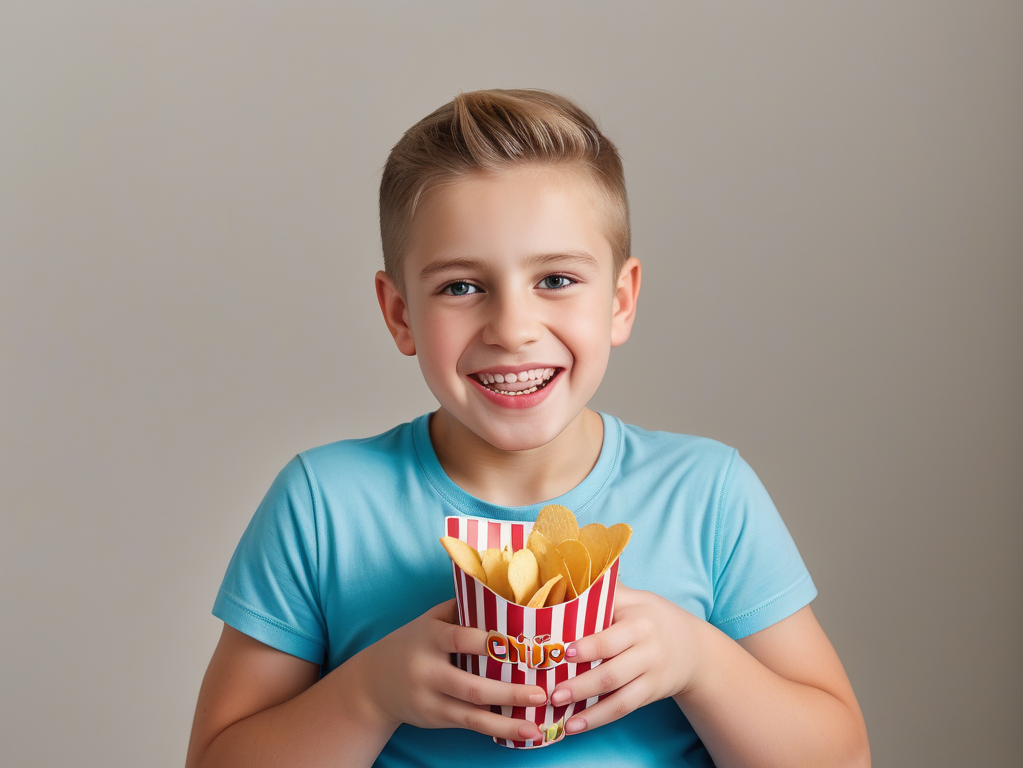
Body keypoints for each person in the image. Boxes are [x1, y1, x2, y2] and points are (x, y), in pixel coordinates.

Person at [184, 89, 870, 767]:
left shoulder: (708, 497)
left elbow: (843, 757)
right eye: (461, 286)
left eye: (557, 280)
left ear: (620, 301)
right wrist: (371, 693)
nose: (512, 329)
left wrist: (701, 663)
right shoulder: (322, 505)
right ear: (399, 315)